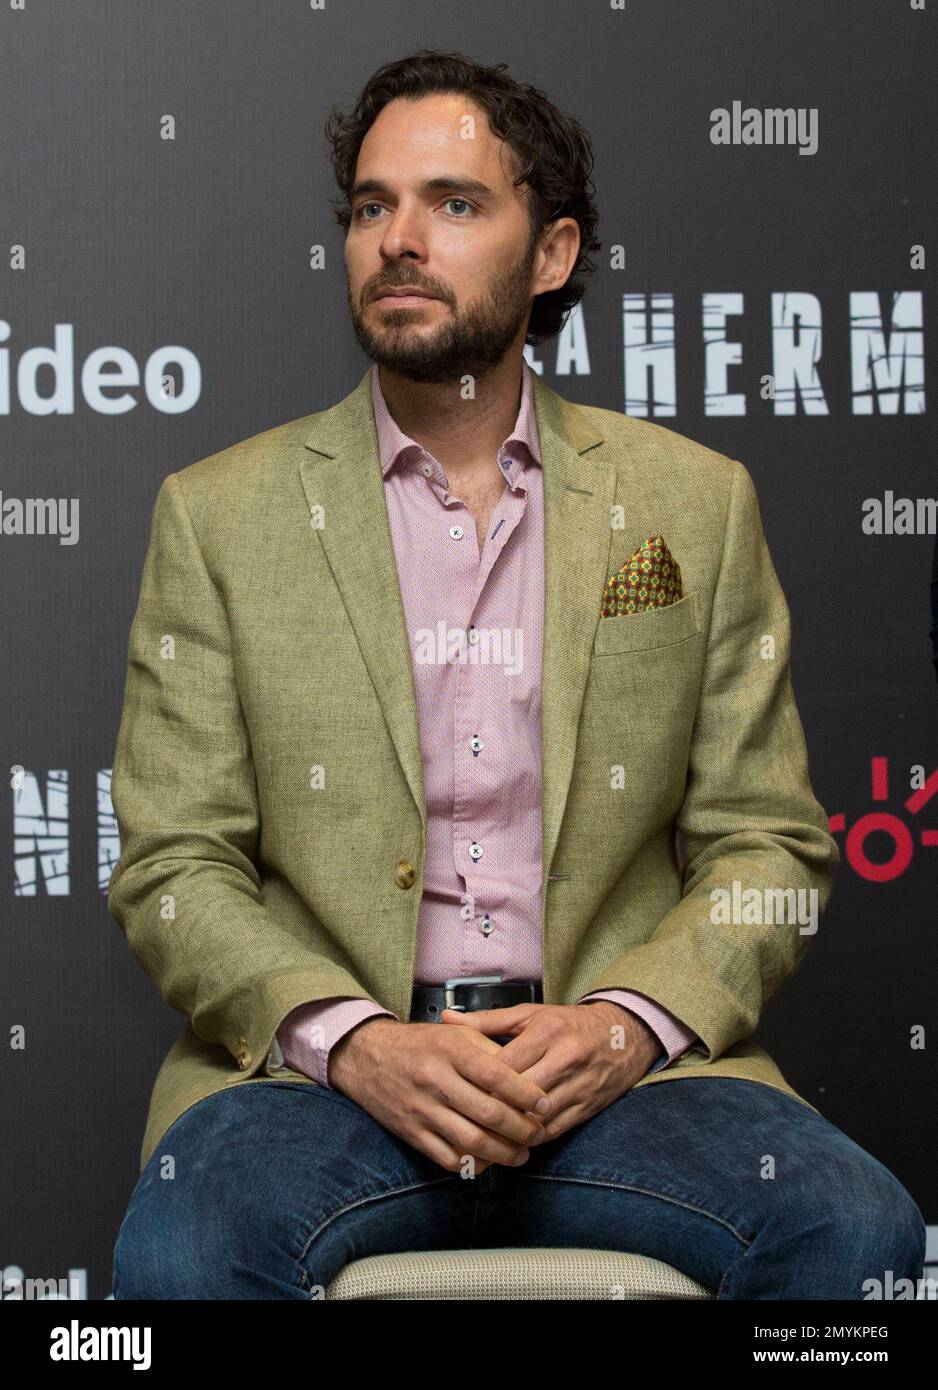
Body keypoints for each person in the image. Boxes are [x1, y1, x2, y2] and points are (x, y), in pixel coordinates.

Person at [109, 50, 925, 1300]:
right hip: (321, 1090)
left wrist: (615, 1028)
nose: (396, 240)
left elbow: (766, 844)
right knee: (183, 1247)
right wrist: (359, 1043)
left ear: (550, 254)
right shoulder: (218, 514)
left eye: (451, 203)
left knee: (854, 1228)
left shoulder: (691, 504)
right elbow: (175, 862)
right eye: (371, 206)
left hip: (617, 1083)